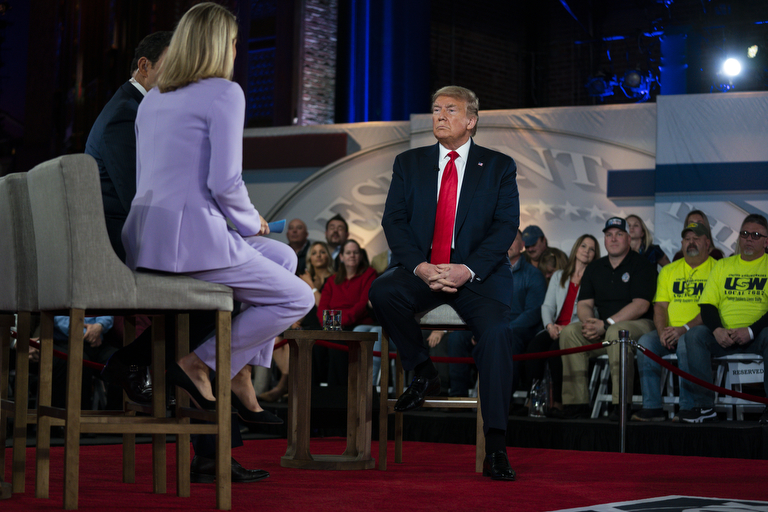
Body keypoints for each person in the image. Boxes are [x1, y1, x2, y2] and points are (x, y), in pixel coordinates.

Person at [121, 2, 314, 481]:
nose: (235, 50)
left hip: (148, 238)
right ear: (217, 45)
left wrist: (241, 227)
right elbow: (225, 182)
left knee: (284, 257)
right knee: (297, 297)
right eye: (232, 42)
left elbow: (158, 178)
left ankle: (242, 370)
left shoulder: (153, 97)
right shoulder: (225, 92)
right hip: (192, 241)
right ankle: (202, 363)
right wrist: (250, 223)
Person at [369, 85, 519, 481]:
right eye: (436, 109)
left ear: (471, 120)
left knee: (497, 335)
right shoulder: (409, 162)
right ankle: (422, 370)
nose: (440, 115)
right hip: (424, 269)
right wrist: (419, 266)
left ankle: (496, 446)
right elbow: (393, 222)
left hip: (477, 276)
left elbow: (505, 227)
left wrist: (466, 270)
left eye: (451, 109)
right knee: (382, 291)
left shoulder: (499, 166)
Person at [552, 217, 657, 421]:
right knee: (570, 333)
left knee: (617, 332)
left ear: (628, 238)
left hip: (640, 325)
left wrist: (607, 324)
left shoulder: (641, 264)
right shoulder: (595, 267)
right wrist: (589, 323)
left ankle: (621, 405)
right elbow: (584, 304)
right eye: (609, 235)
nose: (613, 239)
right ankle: (576, 405)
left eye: (619, 234)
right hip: (603, 327)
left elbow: (641, 305)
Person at [85, 31, 173, 262]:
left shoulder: (134, 107)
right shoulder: (124, 115)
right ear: (144, 67)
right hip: (120, 246)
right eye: (173, 67)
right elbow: (137, 200)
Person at [676, 213, 768, 424]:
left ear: (766, 241)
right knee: (694, 336)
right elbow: (707, 305)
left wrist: (750, 331)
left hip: (758, 335)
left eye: (756, 235)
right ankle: (704, 407)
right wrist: (717, 330)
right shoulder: (723, 266)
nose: (749, 238)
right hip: (723, 336)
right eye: (745, 234)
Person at [444, 230, 546, 397]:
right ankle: (457, 397)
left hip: (516, 329)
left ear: (522, 246)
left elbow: (533, 313)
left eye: (513, 239)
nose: (508, 242)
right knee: (457, 338)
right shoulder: (486, 271)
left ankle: (502, 401)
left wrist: (497, 331)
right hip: (487, 326)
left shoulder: (533, 275)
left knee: (507, 338)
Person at [631, 222, 716, 422]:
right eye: (687, 239)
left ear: (707, 243)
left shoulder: (718, 268)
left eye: (696, 238)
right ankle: (652, 407)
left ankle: (688, 408)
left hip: (701, 331)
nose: (691, 243)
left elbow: (712, 309)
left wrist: (683, 329)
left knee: (687, 342)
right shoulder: (669, 270)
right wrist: (662, 331)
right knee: (645, 342)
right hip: (671, 330)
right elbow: (660, 306)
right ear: (682, 243)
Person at [524, 234, 599, 412]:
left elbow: (595, 311)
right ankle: (532, 399)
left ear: (595, 255)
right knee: (535, 347)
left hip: (574, 330)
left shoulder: (595, 279)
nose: (586, 251)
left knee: (555, 351)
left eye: (591, 249)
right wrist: (549, 326)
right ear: (576, 248)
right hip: (554, 327)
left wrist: (567, 328)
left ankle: (558, 402)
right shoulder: (559, 276)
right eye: (583, 246)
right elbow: (548, 306)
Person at [259, 241, 334, 402]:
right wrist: (295, 320)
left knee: (294, 341)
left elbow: (325, 308)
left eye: (322, 252)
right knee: (276, 339)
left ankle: (284, 386)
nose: (318, 255)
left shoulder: (333, 279)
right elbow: (298, 302)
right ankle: (287, 384)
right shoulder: (304, 277)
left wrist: (311, 286)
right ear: (309, 258)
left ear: (328, 256)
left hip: (322, 325)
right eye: (314, 253)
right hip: (304, 322)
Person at [317, 239, 378, 385]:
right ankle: (316, 392)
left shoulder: (370, 274)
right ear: (341, 257)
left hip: (357, 325)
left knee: (337, 343)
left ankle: (340, 391)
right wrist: (332, 324)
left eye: (355, 252)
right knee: (315, 345)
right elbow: (322, 308)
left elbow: (362, 304)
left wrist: (339, 322)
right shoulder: (332, 280)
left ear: (361, 256)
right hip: (333, 326)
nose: (352, 255)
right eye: (348, 253)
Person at [51, 316, 120, 410]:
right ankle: (78, 415)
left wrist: (100, 326)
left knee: (122, 362)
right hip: (66, 341)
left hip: (97, 342)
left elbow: (107, 314)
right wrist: (91, 333)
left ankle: (116, 415)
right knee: (78, 363)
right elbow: (59, 320)